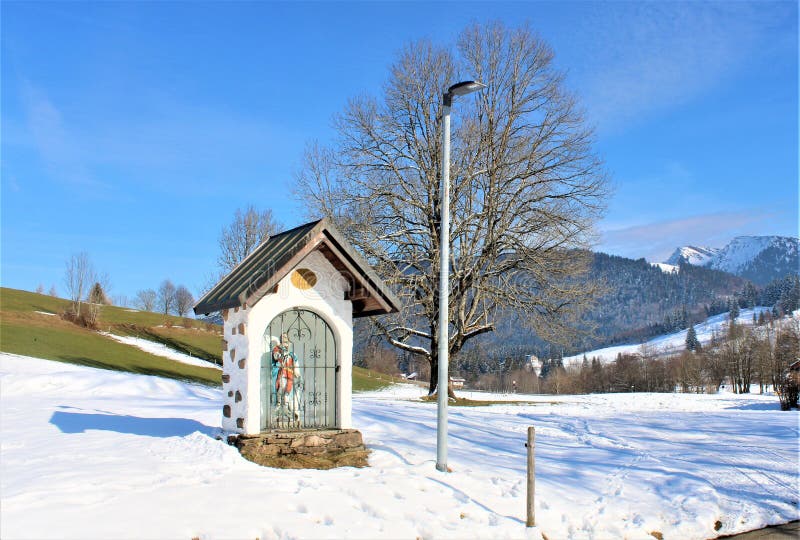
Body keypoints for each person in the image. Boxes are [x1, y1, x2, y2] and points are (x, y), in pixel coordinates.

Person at [272, 333, 302, 427]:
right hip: (281, 374)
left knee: (288, 393)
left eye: (286, 341)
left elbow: (296, 364)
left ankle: (289, 411)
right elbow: (276, 357)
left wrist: (297, 373)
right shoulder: (277, 350)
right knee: (280, 390)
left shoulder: (292, 355)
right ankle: (278, 410)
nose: (285, 343)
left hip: (289, 375)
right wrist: (281, 352)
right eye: (283, 341)